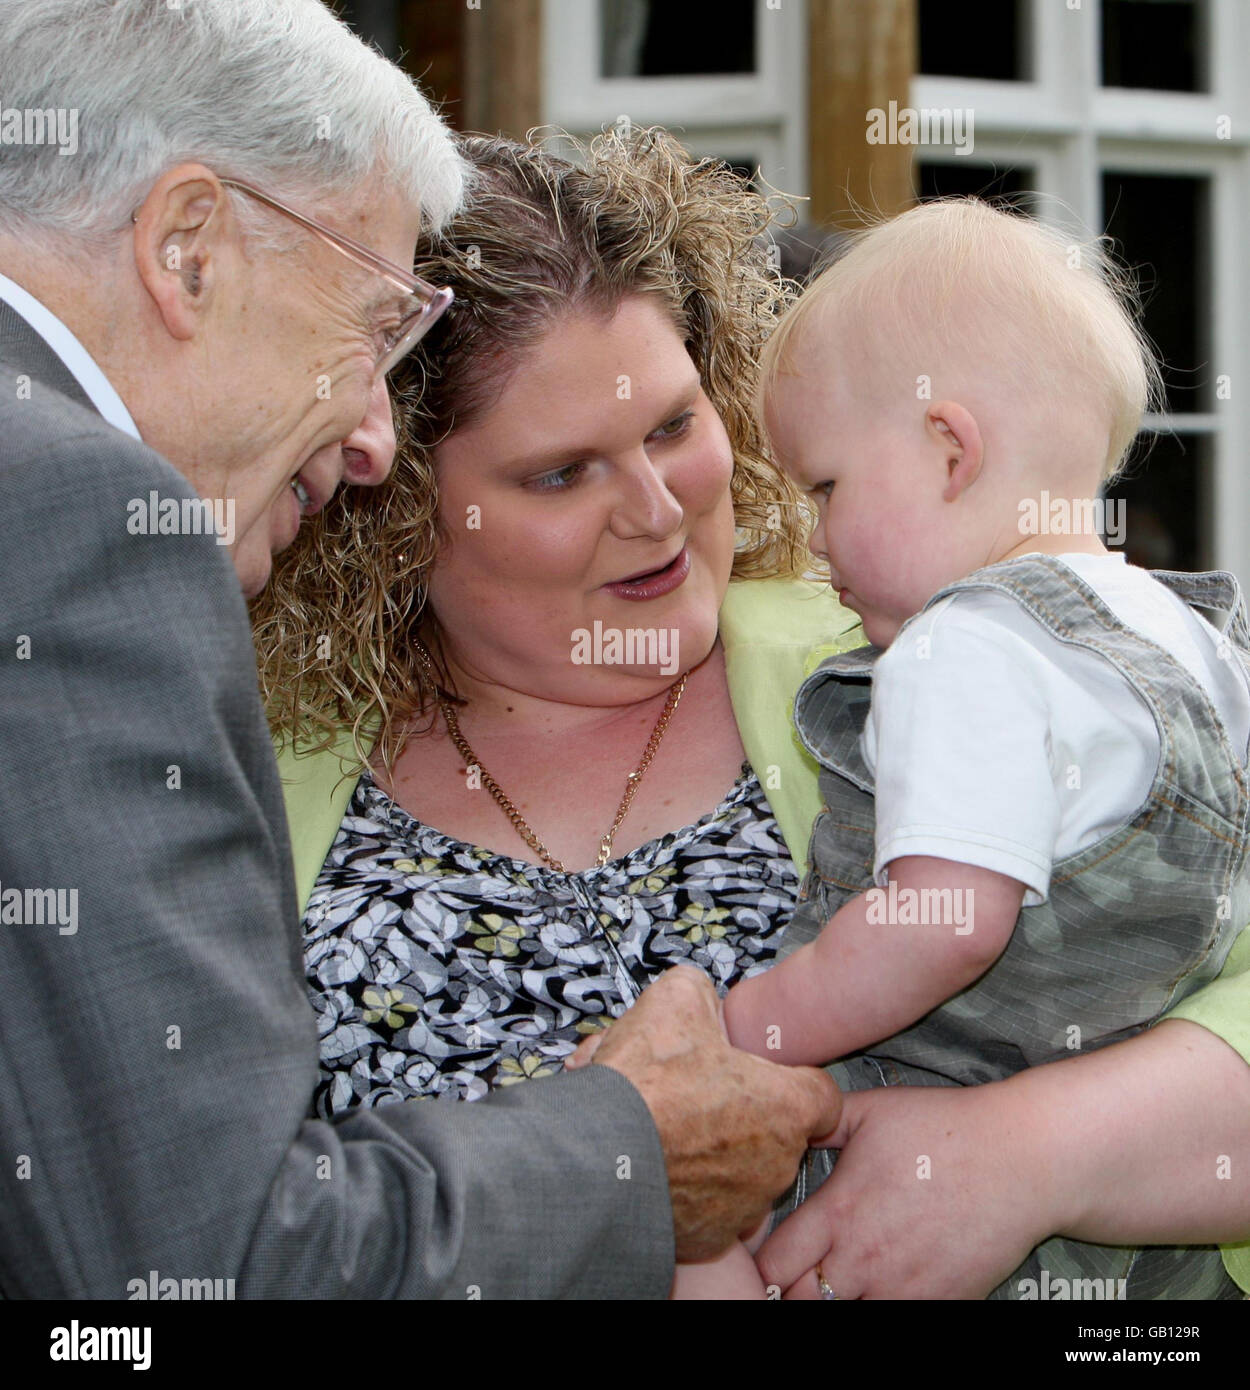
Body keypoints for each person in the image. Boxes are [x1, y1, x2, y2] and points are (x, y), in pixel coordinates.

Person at [258, 132, 1250, 1298]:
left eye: (674, 425)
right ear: (398, 512)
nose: (657, 505)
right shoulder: (255, 775)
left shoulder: (927, 649)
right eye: (560, 472)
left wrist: (1024, 1162)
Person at [0, 0, 839, 1300]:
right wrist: (628, 1155)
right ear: (188, 248)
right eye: (370, 328)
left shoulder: (899, 659)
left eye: (675, 425)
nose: (370, 434)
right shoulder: (90, 532)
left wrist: (1022, 1154)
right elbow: (197, 1261)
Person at [675, 196, 1248, 1298]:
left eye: (826, 487)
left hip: (920, 1140)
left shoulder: (962, 646)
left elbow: (943, 921)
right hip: (1151, 1223)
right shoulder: (1189, 635)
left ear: (948, 449)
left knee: (700, 1243)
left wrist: (750, 1028)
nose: (808, 536)